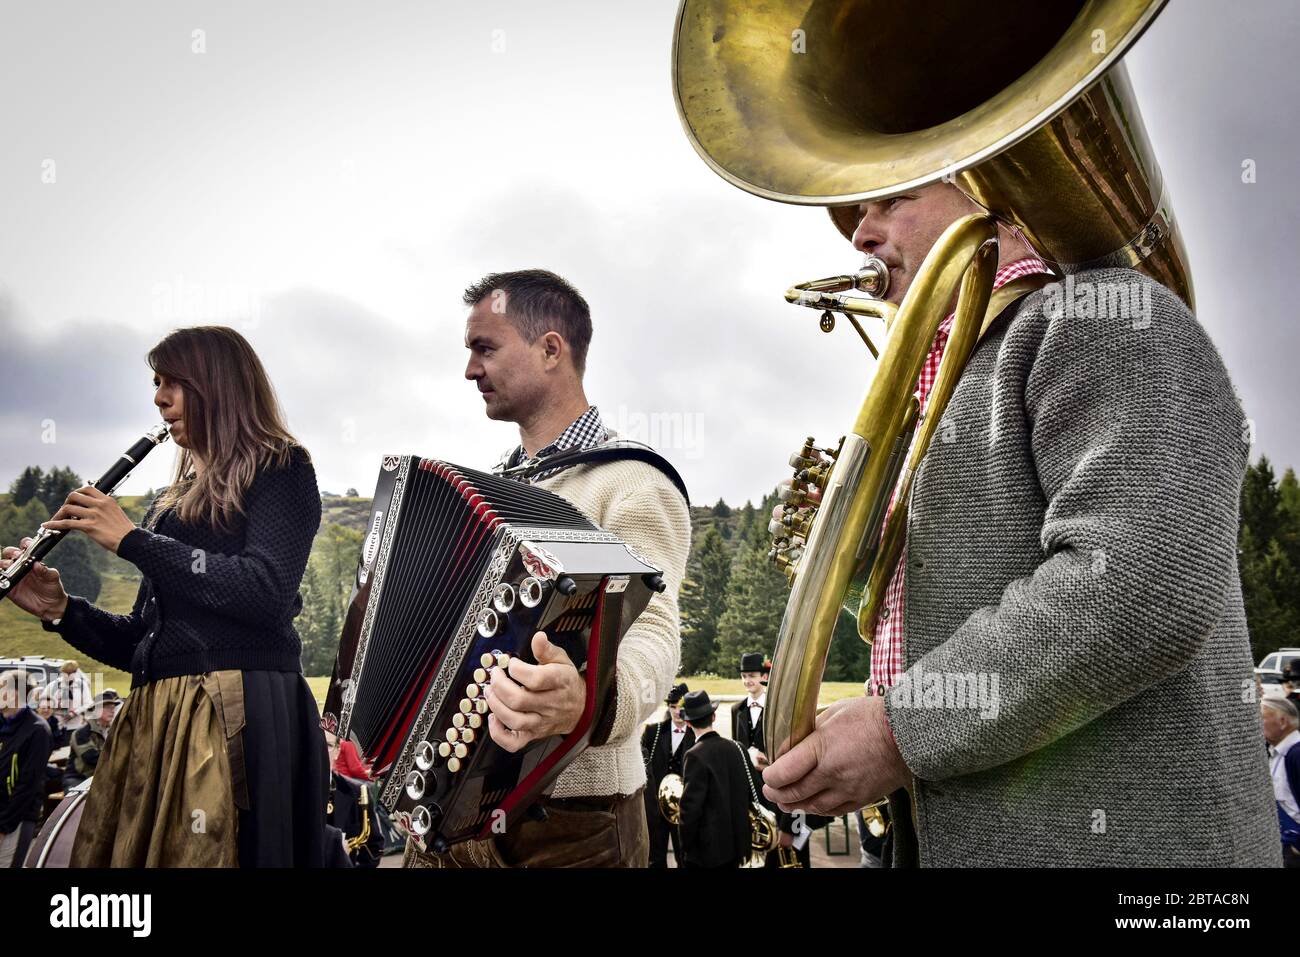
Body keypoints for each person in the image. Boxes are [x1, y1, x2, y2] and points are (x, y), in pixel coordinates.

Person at [762, 182, 1280, 866]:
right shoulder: (950, 386)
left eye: (893, 201)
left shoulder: (1109, 315)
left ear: (990, 194)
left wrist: (899, 730)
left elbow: (1142, 586)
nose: (860, 235)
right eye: (860, 213)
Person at [0, 325, 330, 867]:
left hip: (235, 709)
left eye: (174, 382)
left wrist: (133, 540)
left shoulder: (281, 466)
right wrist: (61, 611)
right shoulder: (169, 500)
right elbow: (143, 645)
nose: (159, 399)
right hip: (162, 711)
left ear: (217, 386)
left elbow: (265, 590)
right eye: (157, 383)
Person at [403, 269, 691, 869]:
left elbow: (655, 635)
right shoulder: (491, 492)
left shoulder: (634, 482)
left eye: (485, 348)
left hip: (573, 822)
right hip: (448, 817)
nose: (470, 370)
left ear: (551, 349)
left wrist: (591, 701)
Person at [677, 690, 758, 869]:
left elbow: (690, 809)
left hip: (707, 853)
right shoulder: (738, 748)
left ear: (688, 723)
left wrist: (685, 848)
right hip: (736, 846)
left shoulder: (694, 755)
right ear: (713, 717)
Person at [0, 670, 53, 867]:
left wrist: (4, 827)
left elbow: (27, 786)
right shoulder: (3, 725)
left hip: (15, 822)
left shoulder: (37, 730)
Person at [640, 682, 694, 867]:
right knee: (655, 858)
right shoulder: (653, 732)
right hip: (656, 809)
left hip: (685, 810)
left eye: (682, 706)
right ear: (668, 707)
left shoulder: (696, 734)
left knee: (685, 857)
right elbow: (643, 769)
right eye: (673, 706)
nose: (678, 711)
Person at [1262, 698, 1300, 868]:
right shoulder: (1277, 752)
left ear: (1282, 721)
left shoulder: (1296, 754)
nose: (1256, 724)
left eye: (1261, 718)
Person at [62, 690, 121, 791]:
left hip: (101, 778)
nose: (112, 711)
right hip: (79, 778)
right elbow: (91, 758)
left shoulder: (114, 731)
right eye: (107, 707)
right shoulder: (81, 733)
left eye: (113, 708)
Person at [42, 661, 91, 736]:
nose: (68, 675)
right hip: (57, 726)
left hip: (76, 726)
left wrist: (74, 713)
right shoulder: (53, 685)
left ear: (75, 672)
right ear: (61, 672)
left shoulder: (82, 685)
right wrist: (54, 705)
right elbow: (43, 702)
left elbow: (88, 703)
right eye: (65, 673)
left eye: (71, 673)